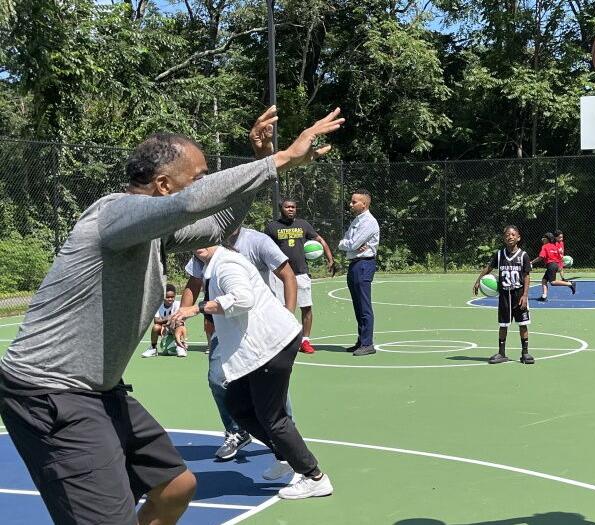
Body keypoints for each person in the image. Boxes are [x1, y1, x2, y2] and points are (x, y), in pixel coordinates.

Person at [0, 105, 345, 524]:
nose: (203, 183)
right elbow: (193, 204)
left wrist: (260, 164)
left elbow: (219, 225)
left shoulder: (153, 232)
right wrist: (282, 159)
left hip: (98, 390)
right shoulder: (113, 215)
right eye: (197, 176)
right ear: (164, 185)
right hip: (48, 391)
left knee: (176, 486)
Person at [168, 244, 333, 499]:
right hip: (262, 347)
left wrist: (196, 309)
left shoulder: (226, 265)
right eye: (194, 243)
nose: (199, 247)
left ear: (218, 239)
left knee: (272, 417)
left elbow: (243, 299)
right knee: (238, 403)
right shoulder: (211, 264)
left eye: (205, 241)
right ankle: (285, 456)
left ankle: (314, 476)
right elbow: (196, 285)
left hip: (271, 346)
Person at [177, 226, 298, 460]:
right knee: (217, 379)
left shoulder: (256, 242)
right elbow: (193, 284)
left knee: (270, 385)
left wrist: (288, 312)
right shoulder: (202, 247)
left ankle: (287, 434)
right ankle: (237, 431)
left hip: (256, 326)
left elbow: (287, 274)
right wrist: (181, 318)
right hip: (223, 327)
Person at [265, 198, 336, 354]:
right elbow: (264, 249)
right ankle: (284, 341)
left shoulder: (303, 225)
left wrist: (330, 259)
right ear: (281, 208)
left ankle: (305, 341)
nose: (291, 209)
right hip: (280, 276)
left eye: (293, 207)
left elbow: (320, 240)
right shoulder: (272, 227)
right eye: (287, 207)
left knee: (306, 307)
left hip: (301, 273)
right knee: (282, 310)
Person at [473, 225, 534, 365]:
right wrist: (478, 280)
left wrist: (525, 295)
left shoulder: (523, 256)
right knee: (503, 325)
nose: (510, 236)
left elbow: (526, 276)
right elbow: (489, 268)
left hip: (518, 294)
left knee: (523, 324)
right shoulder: (500, 255)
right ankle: (501, 353)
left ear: (518, 237)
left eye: (513, 234)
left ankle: (525, 353)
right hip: (504, 295)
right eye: (507, 235)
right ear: (504, 238)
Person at [337, 189, 380, 356]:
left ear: (364, 204)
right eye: (351, 201)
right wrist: (349, 245)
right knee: (357, 305)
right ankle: (361, 341)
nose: (351, 204)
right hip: (355, 263)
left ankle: (368, 344)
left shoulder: (369, 222)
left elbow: (352, 244)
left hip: (364, 264)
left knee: (364, 305)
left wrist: (350, 245)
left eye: (354, 202)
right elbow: (346, 243)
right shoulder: (357, 220)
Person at [142, 284, 187, 358]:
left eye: (172, 297)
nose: (170, 299)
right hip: (163, 328)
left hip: (174, 327)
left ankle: (180, 347)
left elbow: (178, 319)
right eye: (167, 297)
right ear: (162, 297)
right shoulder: (158, 305)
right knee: (155, 327)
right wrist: (169, 318)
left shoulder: (178, 304)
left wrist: (165, 322)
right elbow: (156, 321)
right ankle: (153, 348)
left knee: (179, 323)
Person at [531, 232, 576, 301]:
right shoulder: (555, 246)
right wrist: (560, 268)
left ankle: (570, 284)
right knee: (544, 280)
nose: (542, 240)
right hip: (555, 265)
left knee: (552, 282)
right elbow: (559, 259)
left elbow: (541, 257)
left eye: (544, 239)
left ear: (547, 239)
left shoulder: (545, 246)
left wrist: (532, 262)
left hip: (551, 265)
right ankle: (544, 296)